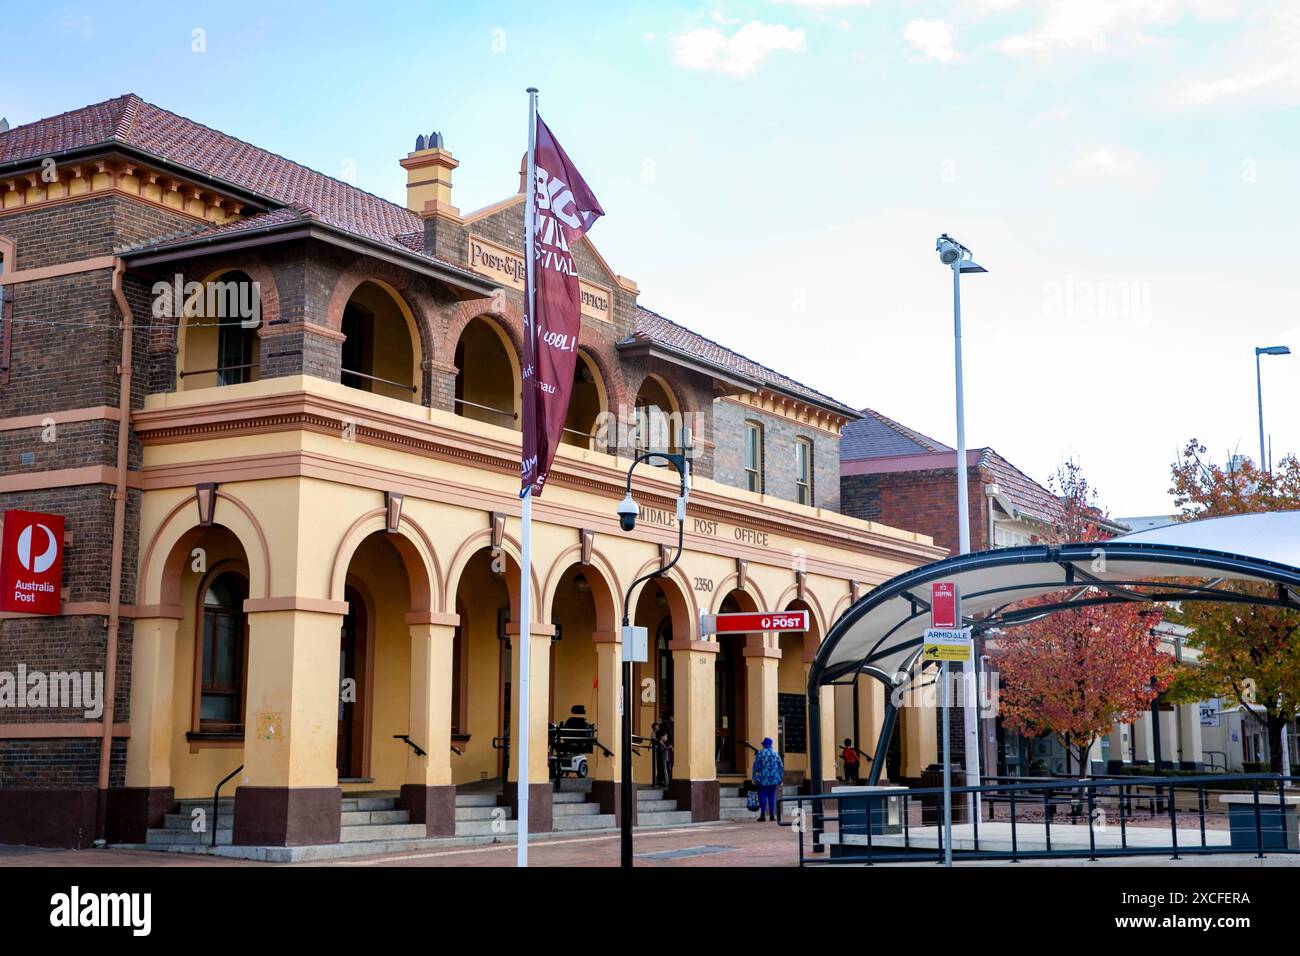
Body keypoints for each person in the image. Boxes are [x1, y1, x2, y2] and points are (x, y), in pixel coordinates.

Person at [751, 737, 785, 823]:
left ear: (764, 745)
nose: (762, 746)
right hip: (774, 778)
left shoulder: (760, 753)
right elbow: (780, 767)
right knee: (772, 795)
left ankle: (763, 815)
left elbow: (755, 767)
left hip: (763, 778)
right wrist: (781, 779)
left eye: (762, 744)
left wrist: (754, 778)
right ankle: (772, 815)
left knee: (762, 795)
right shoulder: (775, 754)